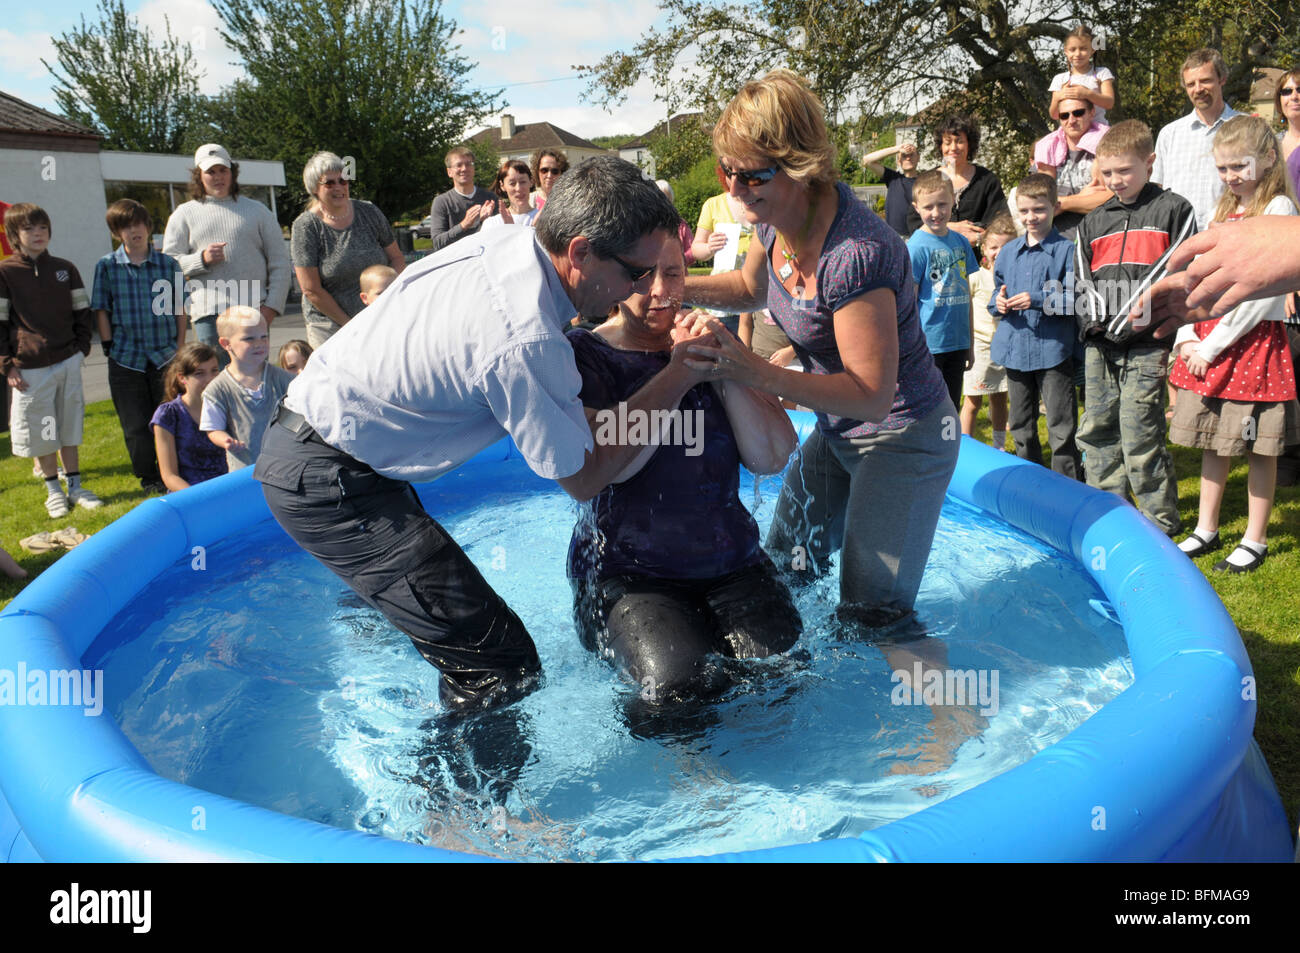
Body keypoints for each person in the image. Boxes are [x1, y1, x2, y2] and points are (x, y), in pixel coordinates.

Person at [253, 155, 687, 713]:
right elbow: (583, 478)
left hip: (329, 451)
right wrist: (678, 376)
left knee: (478, 650)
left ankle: (463, 798)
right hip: (328, 481)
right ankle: (458, 804)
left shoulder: (509, 242)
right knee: (497, 665)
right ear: (579, 251)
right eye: (635, 272)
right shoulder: (523, 338)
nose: (643, 288)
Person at [680, 69, 958, 634]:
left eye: (752, 175)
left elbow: (872, 396)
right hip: (837, 434)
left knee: (871, 613)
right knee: (786, 567)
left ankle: (945, 716)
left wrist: (752, 369)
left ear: (799, 164)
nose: (735, 189)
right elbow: (749, 290)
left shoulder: (855, 254)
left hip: (902, 438)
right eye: (726, 172)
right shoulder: (771, 223)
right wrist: (665, 285)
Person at [567, 233, 800, 700]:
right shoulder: (585, 354)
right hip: (629, 575)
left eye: (671, 274)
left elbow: (772, 456)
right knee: (672, 695)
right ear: (615, 279)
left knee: (783, 679)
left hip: (732, 564)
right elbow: (606, 466)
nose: (658, 290)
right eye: (641, 274)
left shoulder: (712, 342)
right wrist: (679, 374)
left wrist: (722, 366)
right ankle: (693, 775)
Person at [1166, 116, 1299, 572]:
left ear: (1266, 159)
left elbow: (1259, 298)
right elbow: (1196, 272)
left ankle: (1255, 537)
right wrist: (1186, 332)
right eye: (1223, 168)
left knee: (1258, 444)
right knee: (1213, 439)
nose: (1231, 176)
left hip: (1249, 343)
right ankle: (1206, 526)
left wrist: (1211, 345)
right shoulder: (1222, 210)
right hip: (1212, 341)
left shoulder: (1278, 208)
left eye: (1239, 166)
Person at [1074, 120, 1197, 536]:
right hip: (1099, 343)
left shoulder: (1174, 209)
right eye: (1107, 173)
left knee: (1141, 428)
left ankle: (1157, 522)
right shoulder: (1094, 220)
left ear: (1149, 163)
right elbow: (1081, 275)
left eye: (1124, 171)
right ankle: (1109, 513)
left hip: (1146, 342)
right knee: (1097, 428)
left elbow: (1172, 266)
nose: (1115, 181)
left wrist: (1127, 320)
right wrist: (1094, 321)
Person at [0, 203, 103, 518]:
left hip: (68, 360)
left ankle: (75, 486)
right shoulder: (5, 272)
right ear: (14, 235)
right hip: (29, 368)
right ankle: (53, 491)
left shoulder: (65, 268)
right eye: (29, 229)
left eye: (42, 227)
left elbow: (82, 311)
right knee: (42, 431)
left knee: (69, 426)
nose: (37, 234)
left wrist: (81, 348)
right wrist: (8, 364)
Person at [162, 144, 291, 367]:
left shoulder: (258, 211)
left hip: (253, 311)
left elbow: (280, 262)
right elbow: (166, 266)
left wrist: (271, 308)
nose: (218, 177)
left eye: (223, 170)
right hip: (207, 316)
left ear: (233, 172)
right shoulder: (184, 214)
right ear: (199, 176)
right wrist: (201, 259)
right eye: (211, 172)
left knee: (255, 381)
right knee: (214, 383)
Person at [92, 198, 187, 494]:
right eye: (127, 226)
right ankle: (149, 477)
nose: (135, 231)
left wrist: (179, 349)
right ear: (117, 232)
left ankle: (176, 471)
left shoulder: (167, 264)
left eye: (139, 224)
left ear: (148, 227)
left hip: (165, 355)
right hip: (125, 356)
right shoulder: (107, 266)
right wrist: (108, 346)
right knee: (135, 425)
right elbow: (101, 309)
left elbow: (179, 309)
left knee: (170, 418)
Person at [990, 174, 1080, 477]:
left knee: (1061, 425)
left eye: (1039, 210)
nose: (1031, 217)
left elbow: (1077, 299)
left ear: (1054, 207)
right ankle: (1030, 484)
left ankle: (1067, 486)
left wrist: (1038, 299)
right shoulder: (1008, 252)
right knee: (1019, 424)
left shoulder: (1067, 251)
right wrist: (997, 303)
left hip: (1052, 350)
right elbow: (996, 290)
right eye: (1025, 211)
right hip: (1015, 349)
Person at [291, 151, 405, 350]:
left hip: (379, 316)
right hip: (330, 325)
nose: (338, 187)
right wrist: (351, 324)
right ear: (315, 189)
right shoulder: (306, 226)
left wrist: (391, 299)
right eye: (329, 183)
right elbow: (311, 289)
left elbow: (396, 258)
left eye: (343, 181)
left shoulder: (369, 212)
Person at [908, 169, 977, 410]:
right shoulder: (916, 247)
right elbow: (908, 302)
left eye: (942, 205)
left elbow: (966, 296)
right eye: (928, 207)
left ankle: (950, 447)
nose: (936, 213)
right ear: (916, 207)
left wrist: (970, 343)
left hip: (957, 342)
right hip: (928, 345)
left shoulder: (960, 242)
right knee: (928, 408)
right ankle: (924, 448)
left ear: (953, 202)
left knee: (951, 407)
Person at [1152, 48, 1241, 230]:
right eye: (1191, 84)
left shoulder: (1246, 128)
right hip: (1178, 236)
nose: (1198, 89)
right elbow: (1157, 189)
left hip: (1229, 236)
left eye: (1205, 81)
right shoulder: (1170, 134)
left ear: (1222, 79)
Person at [200, 306, 293, 471]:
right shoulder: (218, 389)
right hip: (246, 469)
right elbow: (212, 428)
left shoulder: (283, 379)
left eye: (264, 336)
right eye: (249, 339)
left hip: (286, 464)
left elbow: (299, 416)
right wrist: (225, 440)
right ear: (226, 343)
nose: (260, 344)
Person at [905, 115, 1006, 244]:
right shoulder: (927, 180)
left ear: (970, 144)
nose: (953, 148)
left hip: (976, 258)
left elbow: (1001, 221)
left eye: (959, 141)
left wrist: (980, 238)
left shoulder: (987, 180)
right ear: (941, 146)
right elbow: (914, 224)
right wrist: (951, 227)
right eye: (947, 142)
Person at [961, 214, 1016, 447]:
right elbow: (965, 310)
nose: (999, 253)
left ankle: (999, 446)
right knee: (973, 401)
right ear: (984, 248)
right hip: (980, 348)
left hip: (1004, 346)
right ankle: (966, 448)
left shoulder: (1015, 278)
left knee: (1000, 398)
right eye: (994, 247)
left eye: (1006, 247)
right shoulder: (975, 277)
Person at [151, 342, 228, 492]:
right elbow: (169, 476)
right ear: (182, 378)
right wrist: (199, 499)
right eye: (199, 373)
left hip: (229, 488)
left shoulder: (227, 405)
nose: (210, 379)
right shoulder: (168, 414)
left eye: (214, 371)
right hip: (189, 495)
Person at [1034, 97, 1112, 239]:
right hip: (1055, 241)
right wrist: (1082, 198)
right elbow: (1040, 204)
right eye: (1064, 115)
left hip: (1099, 238)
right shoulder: (1048, 148)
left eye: (1078, 113)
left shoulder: (1107, 145)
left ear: (1092, 112)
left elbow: (1108, 199)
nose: (1071, 120)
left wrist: (1061, 204)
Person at [692, 179, 753, 337]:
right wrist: (709, 247)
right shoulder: (713, 205)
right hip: (726, 295)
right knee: (724, 352)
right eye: (729, 171)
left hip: (760, 295)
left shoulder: (763, 202)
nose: (735, 177)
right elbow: (695, 249)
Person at [429, 146, 496, 252]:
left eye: (469, 164)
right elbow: (438, 243)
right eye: (459, 165)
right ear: (449, 172)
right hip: (456, 264)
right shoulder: (442, 202)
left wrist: (485, 222)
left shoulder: (490, 198)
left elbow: (499, 237)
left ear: (474, 169)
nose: (464, 168)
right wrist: (464, 225)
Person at [1047, 24, 1117, 125]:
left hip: (1096, 130)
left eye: (1083, 49)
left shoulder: (1102, 73)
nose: (1077, 54)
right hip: (1070, 129)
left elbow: (1109, 103)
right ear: (1066, 51)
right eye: (1072, 49)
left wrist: (1087, 94)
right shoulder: (1060, 79)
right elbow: (1054, 115)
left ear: (1092, 50)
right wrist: (1059, 96)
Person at [863, 140, 920, 237]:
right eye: (904, 156)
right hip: (894, 237)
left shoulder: (925, 181)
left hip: (917, 236)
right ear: (898, 161)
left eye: (911, 155)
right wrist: (898, 149)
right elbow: (867, 160)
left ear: (918, 158)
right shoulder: (893, 178)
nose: (908, 158)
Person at [482, 159, 539, 231]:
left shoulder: (543, 220)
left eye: (523, 182)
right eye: (512, 183)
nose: (518, 188)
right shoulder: (492, 224)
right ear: (502, 185)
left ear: (531, 182)